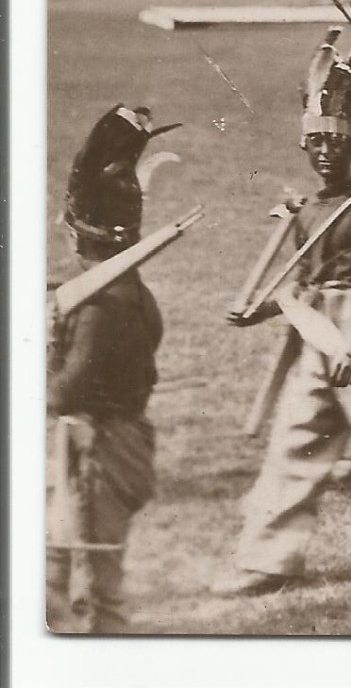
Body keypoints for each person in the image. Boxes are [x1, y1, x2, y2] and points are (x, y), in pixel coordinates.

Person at [215, 0, 351, 596]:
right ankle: (268, 557)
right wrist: (259, 310)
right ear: (304, 149)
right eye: (316, 145)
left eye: (337, 143)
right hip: (315, 333)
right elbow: (300, 283)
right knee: (296, 437)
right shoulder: (307, 207)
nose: (327, 153)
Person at [48, 104, 181, 632]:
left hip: (101, 454)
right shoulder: (129, 292)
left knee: (95, 583)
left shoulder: (101, 307)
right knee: (57, 562)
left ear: (83, 237)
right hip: (115, 444)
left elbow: (66, 394)